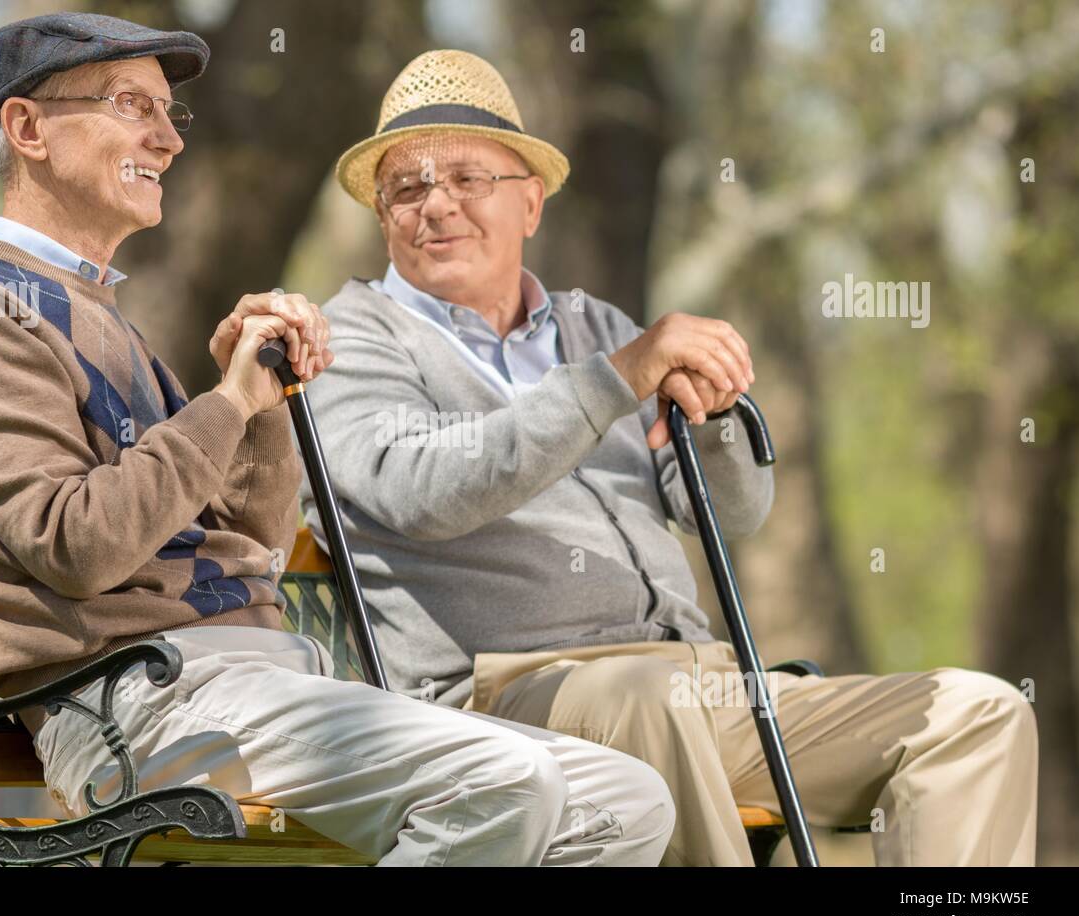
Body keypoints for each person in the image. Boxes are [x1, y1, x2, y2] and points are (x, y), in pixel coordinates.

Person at [0, 15, 675, 866]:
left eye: (168, 113)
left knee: (627, 801)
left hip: (250, 685)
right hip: (136, 706)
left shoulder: (97, 312)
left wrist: (260, 411)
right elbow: (78, 546)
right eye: (130, 104)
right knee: (507, 781)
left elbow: (251, 542)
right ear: (27, 128)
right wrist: (225, 403)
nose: (166, 138)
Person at [304, 48, 1038, 865]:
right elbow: (422, 490)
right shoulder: (351, 341)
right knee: (652, 699)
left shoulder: (595, 327)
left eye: (467, 179)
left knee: (979, 713)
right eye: (407, 187)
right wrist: (613, 382)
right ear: (382, 216)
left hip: (698, 679)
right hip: (502, 702)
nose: (435, 205)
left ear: (531, 204)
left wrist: (715, 420)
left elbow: (728, 518)